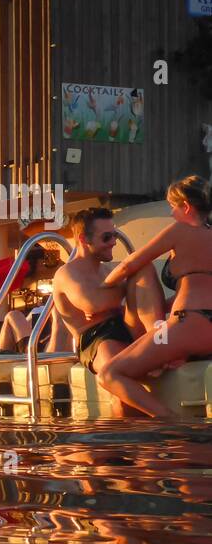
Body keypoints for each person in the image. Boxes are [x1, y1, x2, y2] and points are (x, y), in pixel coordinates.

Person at [97, 176, 212, 416]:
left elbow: (131, 264)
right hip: (201, 330)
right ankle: (172, 357)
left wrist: (105, 284)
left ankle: (169, 423)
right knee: (163, 348)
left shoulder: (180, 230)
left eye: (173, 207)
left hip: (188, 325)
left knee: (110, 374)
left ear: (187, 207)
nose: (171, 214)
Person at [52, 206, 164, 380]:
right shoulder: (67, 273)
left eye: (115, 236)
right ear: (83, 239)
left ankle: (160, 341)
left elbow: (104, 302)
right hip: (96, 338)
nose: (113, 242)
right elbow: (94, 303)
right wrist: (127, 289)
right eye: (107, 237)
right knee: (119, 375)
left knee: (144, 269)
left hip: (123, 326)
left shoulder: (107, 271)